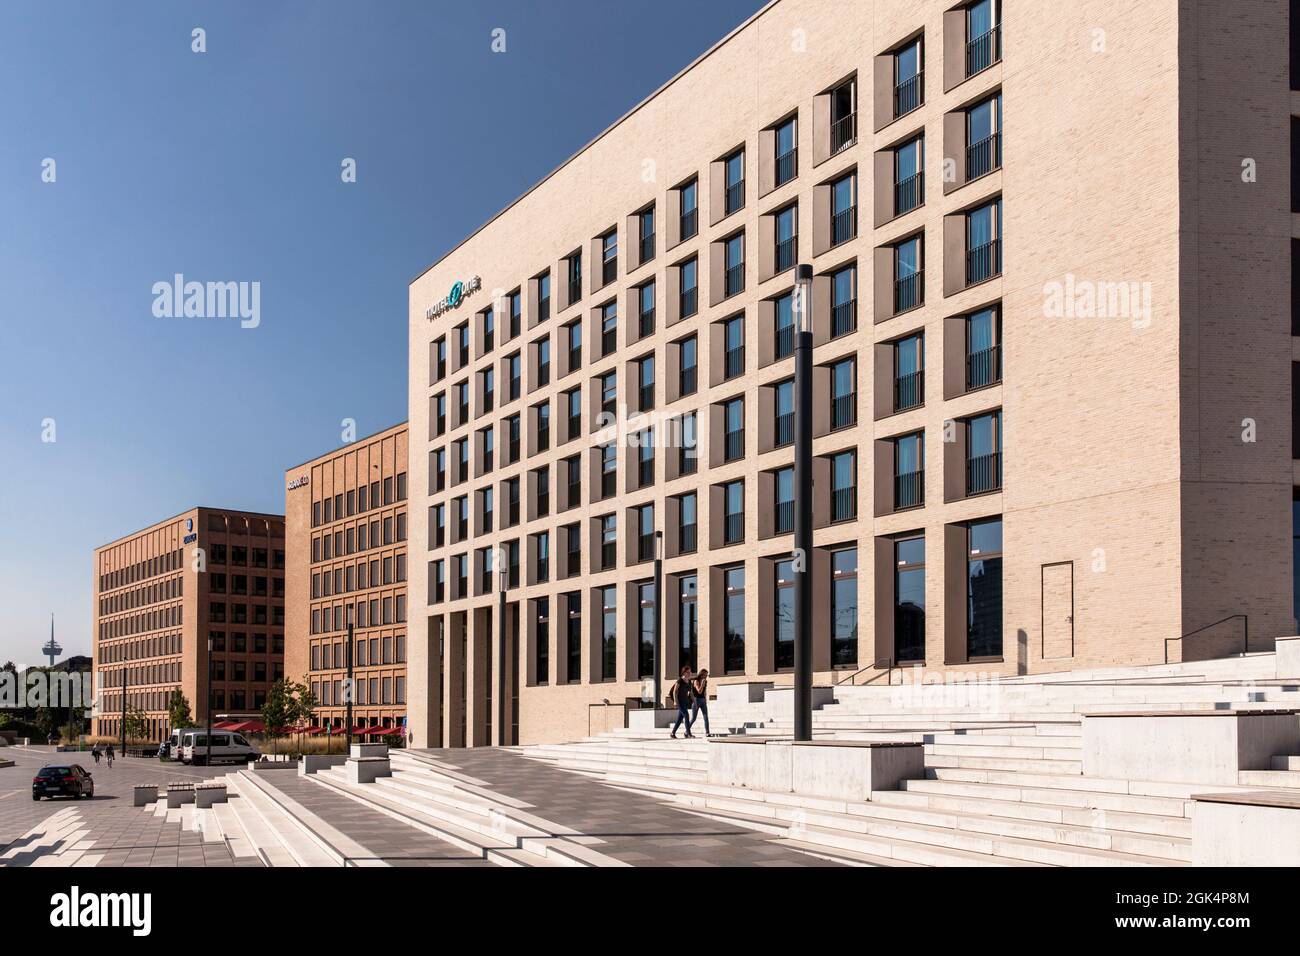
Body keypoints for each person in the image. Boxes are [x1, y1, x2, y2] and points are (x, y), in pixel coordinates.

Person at [669, 665, 695, 739]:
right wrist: (675, 701)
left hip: (685, 702)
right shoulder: (680, 680)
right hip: (679, 702)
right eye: (688, 672)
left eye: (690, 672)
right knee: (686, 715)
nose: (690, 673)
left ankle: (672, 733)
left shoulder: (689, 682)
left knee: (679, 719)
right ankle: (688, 734)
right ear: (684, 673)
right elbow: (675, 691)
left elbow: (691, 693)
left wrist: (694, 701)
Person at [690, 669, 711, 737]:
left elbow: (704, 691)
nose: (706, 676)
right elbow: (699, 691)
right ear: (702, 674)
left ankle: (707, 732)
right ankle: (686, 731)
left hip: (702, 700)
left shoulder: (705, 681)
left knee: (706, 717)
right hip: (696, 701)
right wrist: (702, 684)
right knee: (693, 718)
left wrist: (705, 699)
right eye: (705, 675)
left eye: (707, 675)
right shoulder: (696, 681)